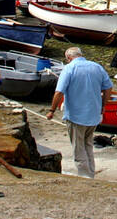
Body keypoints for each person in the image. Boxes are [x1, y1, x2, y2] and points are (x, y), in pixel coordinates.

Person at [47, 47, 113, 178]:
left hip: (76, 115)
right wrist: (103, 105)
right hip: (94, 115)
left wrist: (51, 110)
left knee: (79, 148)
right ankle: (90, 173)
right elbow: (108, 87)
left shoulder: (69, 68)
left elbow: (59, 92)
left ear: (69, 58)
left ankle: (85, 176)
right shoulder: (97, 67)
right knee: (88, 145)